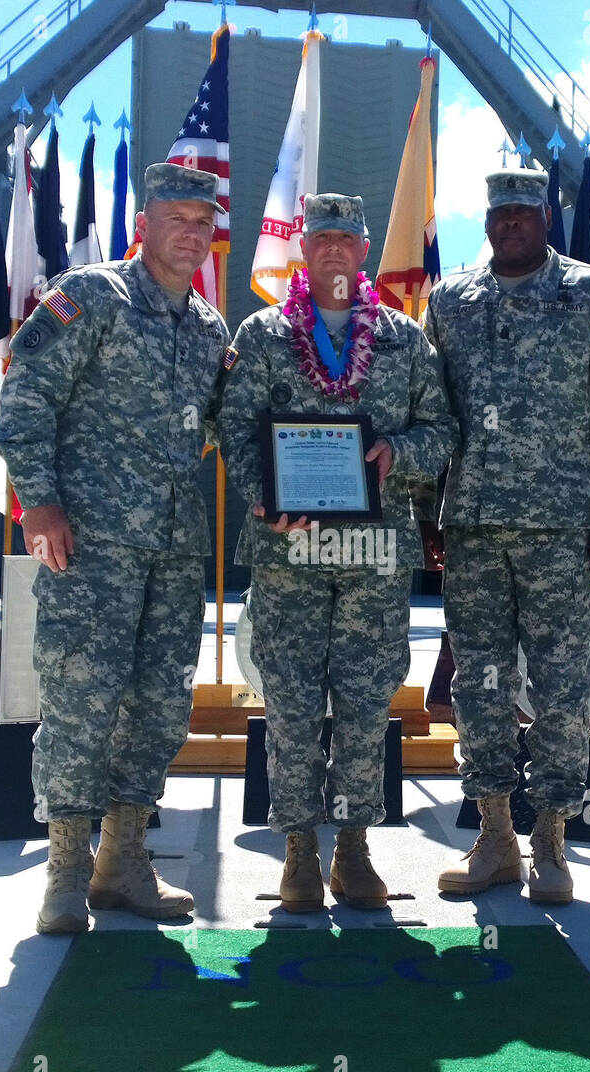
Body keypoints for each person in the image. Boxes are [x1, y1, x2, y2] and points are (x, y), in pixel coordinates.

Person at [0, 162, 230, 934]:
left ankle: (122, 861)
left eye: (204, 222)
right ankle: (64, 871)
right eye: (178, 220)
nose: (192, 234)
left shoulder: (208, 329)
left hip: (172, 550)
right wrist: (41, 501)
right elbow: (24, 389)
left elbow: (231, 427)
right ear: (145, 224)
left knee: (159, 706)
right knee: (81, 702)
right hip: (87, 544)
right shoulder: (91, 296)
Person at [423, 168, 590, 904]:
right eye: (500, 213)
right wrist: (429, 511)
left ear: (548, 215)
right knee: (480, 686)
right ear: (487, 219)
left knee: (562, 686)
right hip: (471, 531)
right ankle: (496, 835)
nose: (512, 223)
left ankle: (553, 839)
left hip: (565, 531)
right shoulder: (450, 303)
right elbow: (431, 414)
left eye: (525, 211)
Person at [219, 193, 457, 911]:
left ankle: (352, 848)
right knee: (289, 705)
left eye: (344, 240)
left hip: (375, 554)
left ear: (362, 253)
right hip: (286, 551)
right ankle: (298, 849)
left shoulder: (404, 340)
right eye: (318, 239)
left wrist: (399, 453)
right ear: (304, 251)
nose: (331, 251)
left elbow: (442, 430)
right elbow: (233, 426)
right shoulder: (262, 336)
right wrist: (262, 493)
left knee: (364, 702)